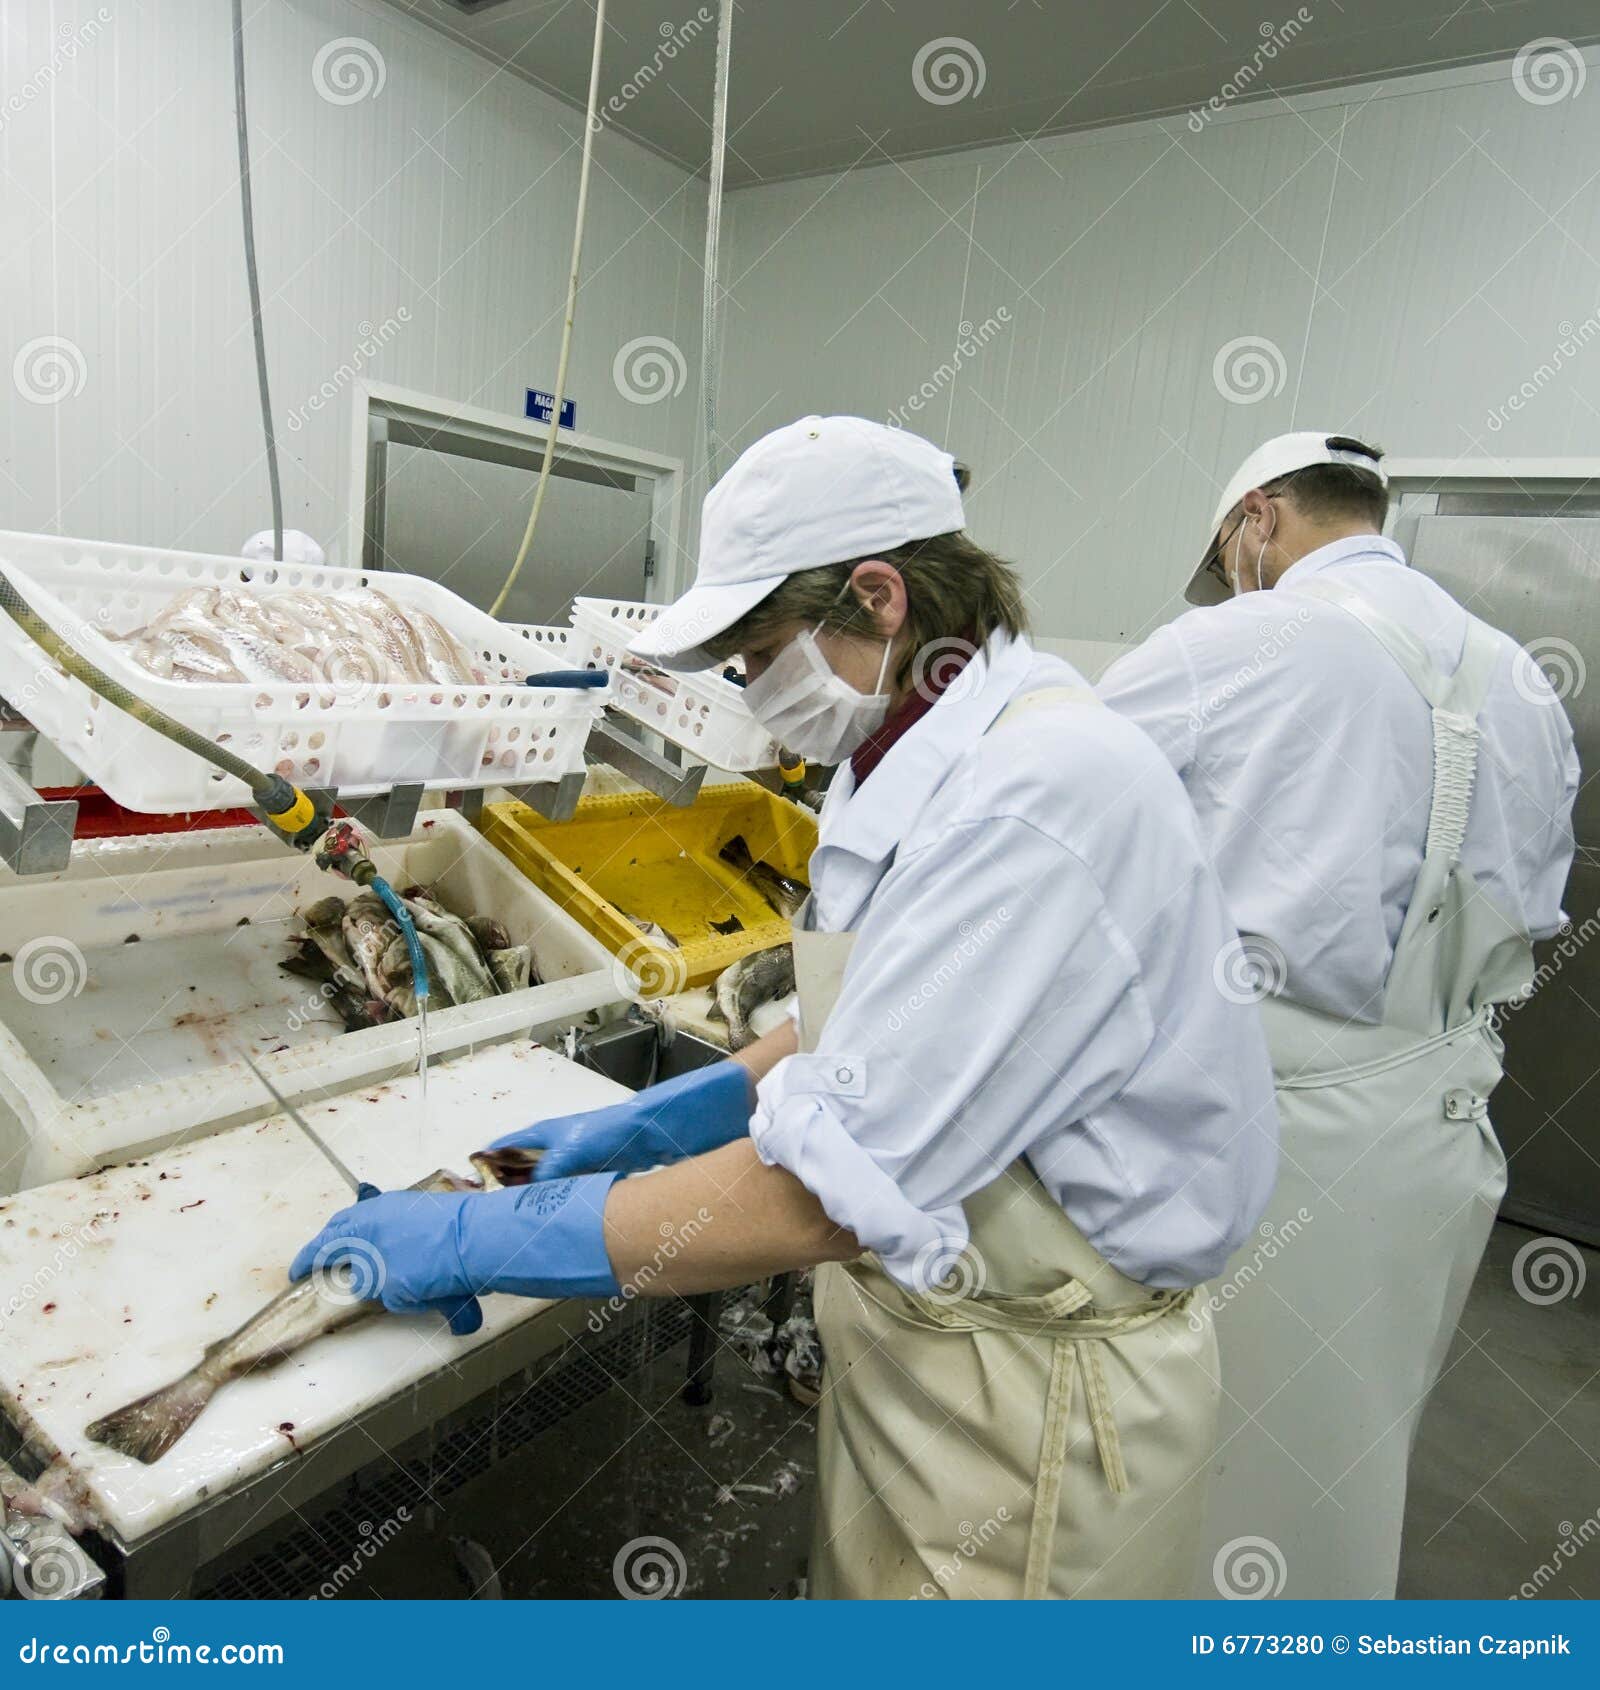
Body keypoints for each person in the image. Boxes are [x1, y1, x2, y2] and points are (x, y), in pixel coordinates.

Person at [292, 415, 1279, 1599]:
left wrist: (481, 1237)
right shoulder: (916, 751)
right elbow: (878, 1020)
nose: (752, 692)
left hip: (1035, 1402)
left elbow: (824, 1197)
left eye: (758, 654)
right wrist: (674, 1114)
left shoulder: (1039, 792)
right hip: (943, 1346)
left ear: (877, 598)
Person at [1097, 431, 1579, 1599]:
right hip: (1441, 1114)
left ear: (1256, 517)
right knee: (1349, 1455)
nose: (1232, 575)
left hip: (1270, 1122)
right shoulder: (1521, 674)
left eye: (1228, 552)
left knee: (1203, 1467)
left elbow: (1055, 814)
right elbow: (1541, 893)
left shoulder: (1228, 642)